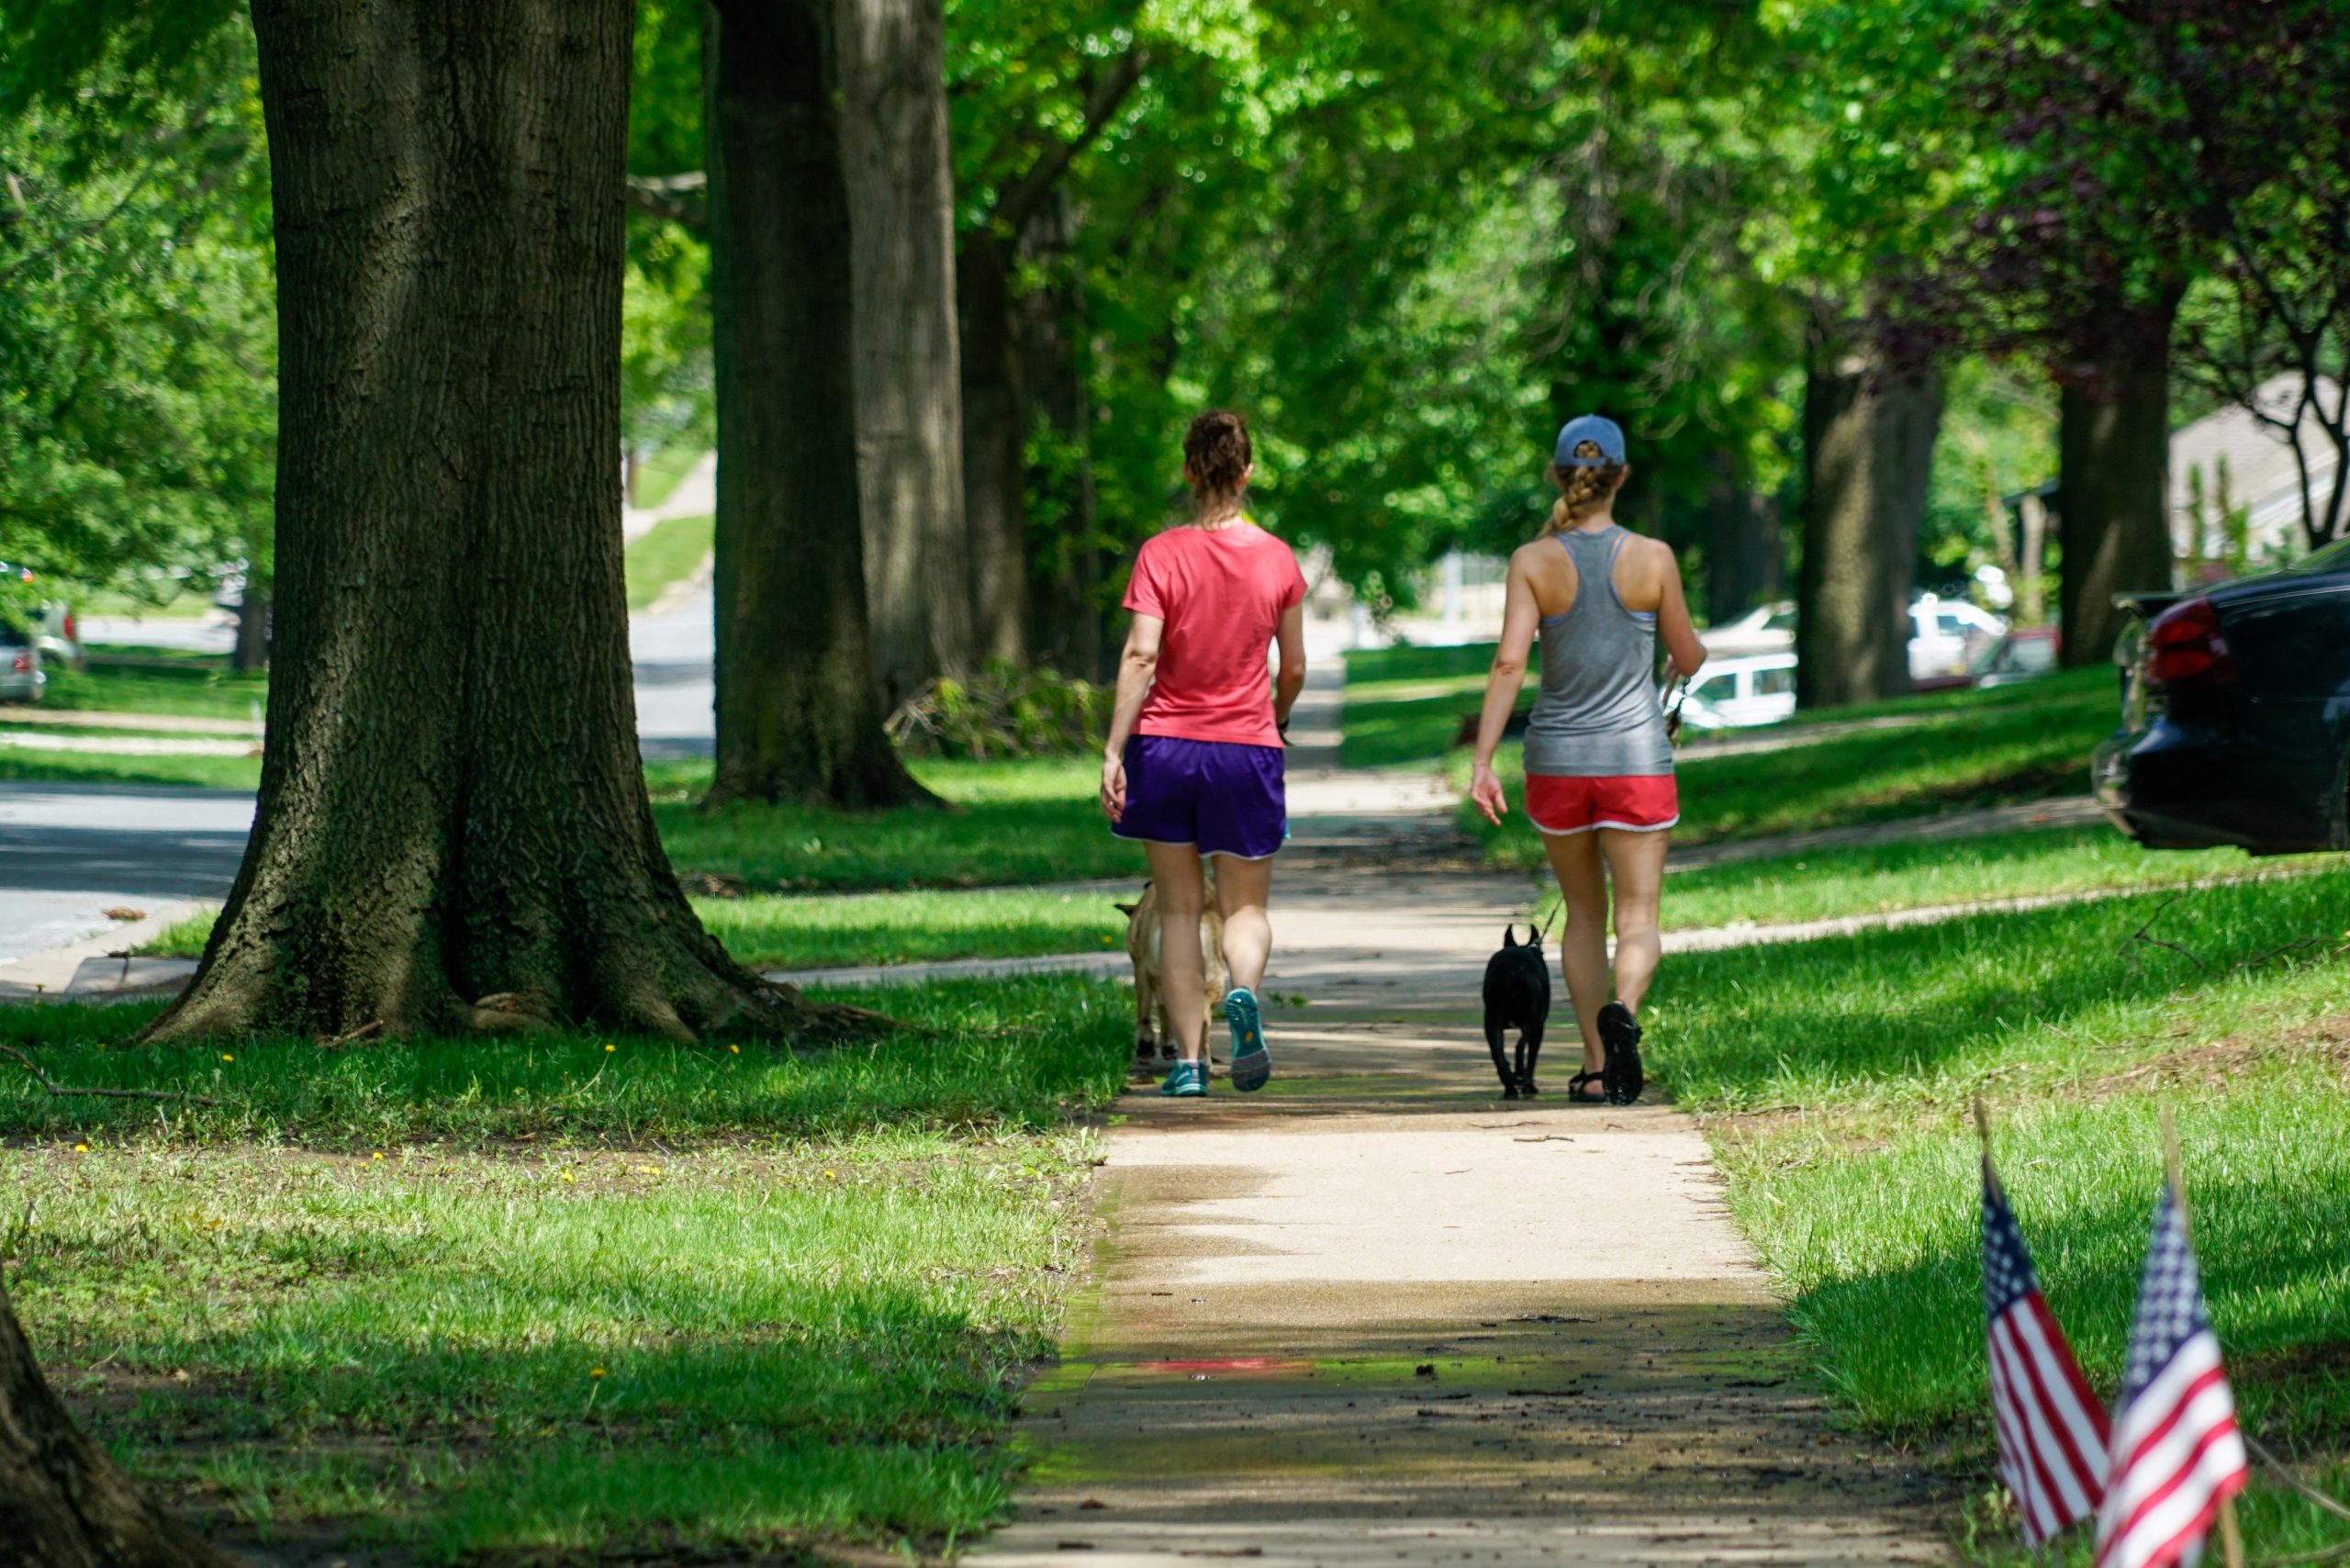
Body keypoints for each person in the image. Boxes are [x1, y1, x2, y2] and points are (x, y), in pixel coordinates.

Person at [1468, 415, 1706, 1105]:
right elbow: (1688, 656)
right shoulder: (1653, 558)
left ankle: (1599, 1067)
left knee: (1580, 912)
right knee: (1638, 918)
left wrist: (1484, 761)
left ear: (1557, 475)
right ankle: (1624, 1013)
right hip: (1637, 758)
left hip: (1557, 762)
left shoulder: (1532, 561)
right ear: (1621, 476)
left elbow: (1510, 662)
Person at [1101, 409, 1308, 1098]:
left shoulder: (1161, 554)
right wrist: (1273, 721)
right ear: (1246, 474)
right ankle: (1243, 992)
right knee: (1245, 910)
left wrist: (1113, 750)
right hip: (1245, 750)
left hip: (1165, 748)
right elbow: (1296, 667)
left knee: (1182, 910)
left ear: (1189, 472)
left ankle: (1189, 1063)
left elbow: (1141, 652)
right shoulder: (1278, 558)